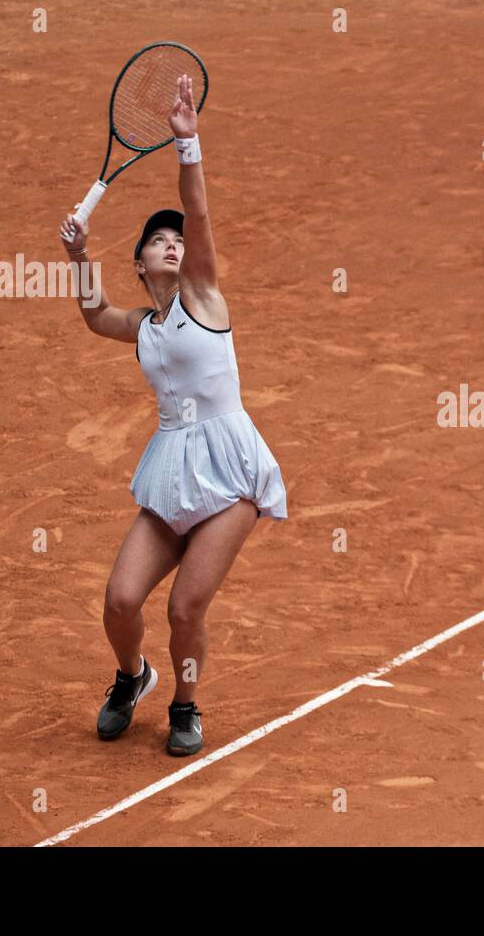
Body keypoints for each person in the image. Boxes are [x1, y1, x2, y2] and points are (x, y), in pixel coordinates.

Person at [58, 75, 287, 756]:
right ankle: (133, 678)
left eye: (178, 240)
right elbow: (97, 316)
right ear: (140, 263)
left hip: (230, 474)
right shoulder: (147, 325)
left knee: (184, 607)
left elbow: (200, 216)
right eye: (159, 239)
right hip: (171, 473)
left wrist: (189, 147)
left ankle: (185, 706)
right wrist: (77, 259)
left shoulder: (204, 299)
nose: (174, 243)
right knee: (119, 601)